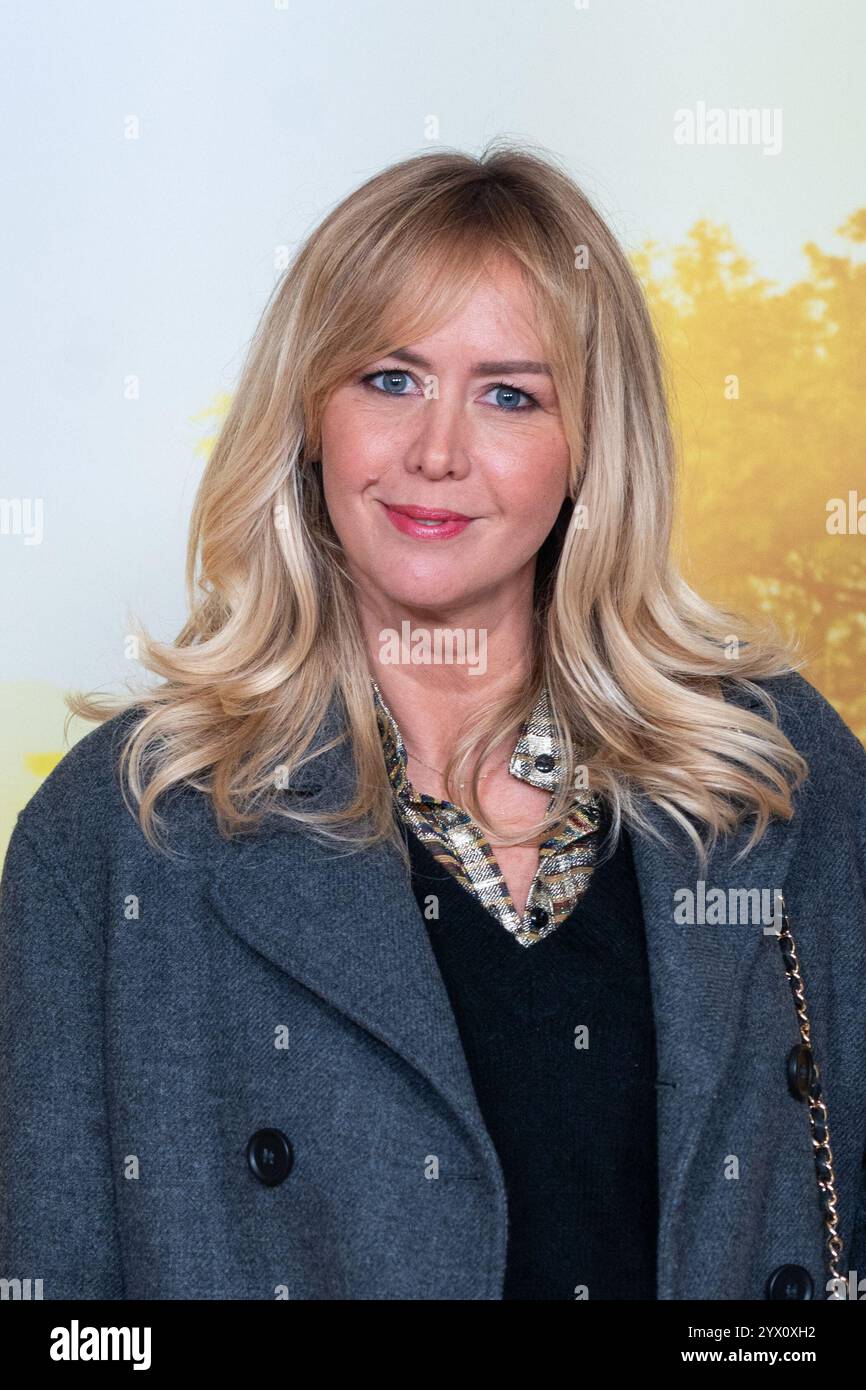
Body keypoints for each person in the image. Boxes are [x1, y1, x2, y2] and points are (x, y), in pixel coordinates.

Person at [1, 141, 865, 1302]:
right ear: (309, 416)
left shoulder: (772, 767)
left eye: (509, 394)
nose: (437, 452)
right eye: (389, 378)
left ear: (590, 449)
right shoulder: (122, 827)